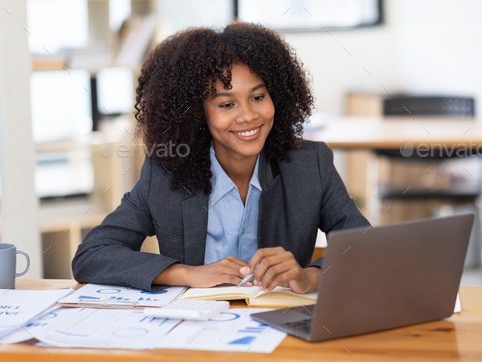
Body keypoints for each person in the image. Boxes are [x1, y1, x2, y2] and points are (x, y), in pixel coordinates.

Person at [72, 22, 370, 293]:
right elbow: (92, 255)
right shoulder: (166, 172)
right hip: (193, 336)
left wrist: (309, 277)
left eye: (257, 97)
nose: (249, 116)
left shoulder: (310, 165)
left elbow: (366, 248)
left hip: (279, 331)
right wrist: (188, 274)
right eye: (227, 104)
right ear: (195, 113)